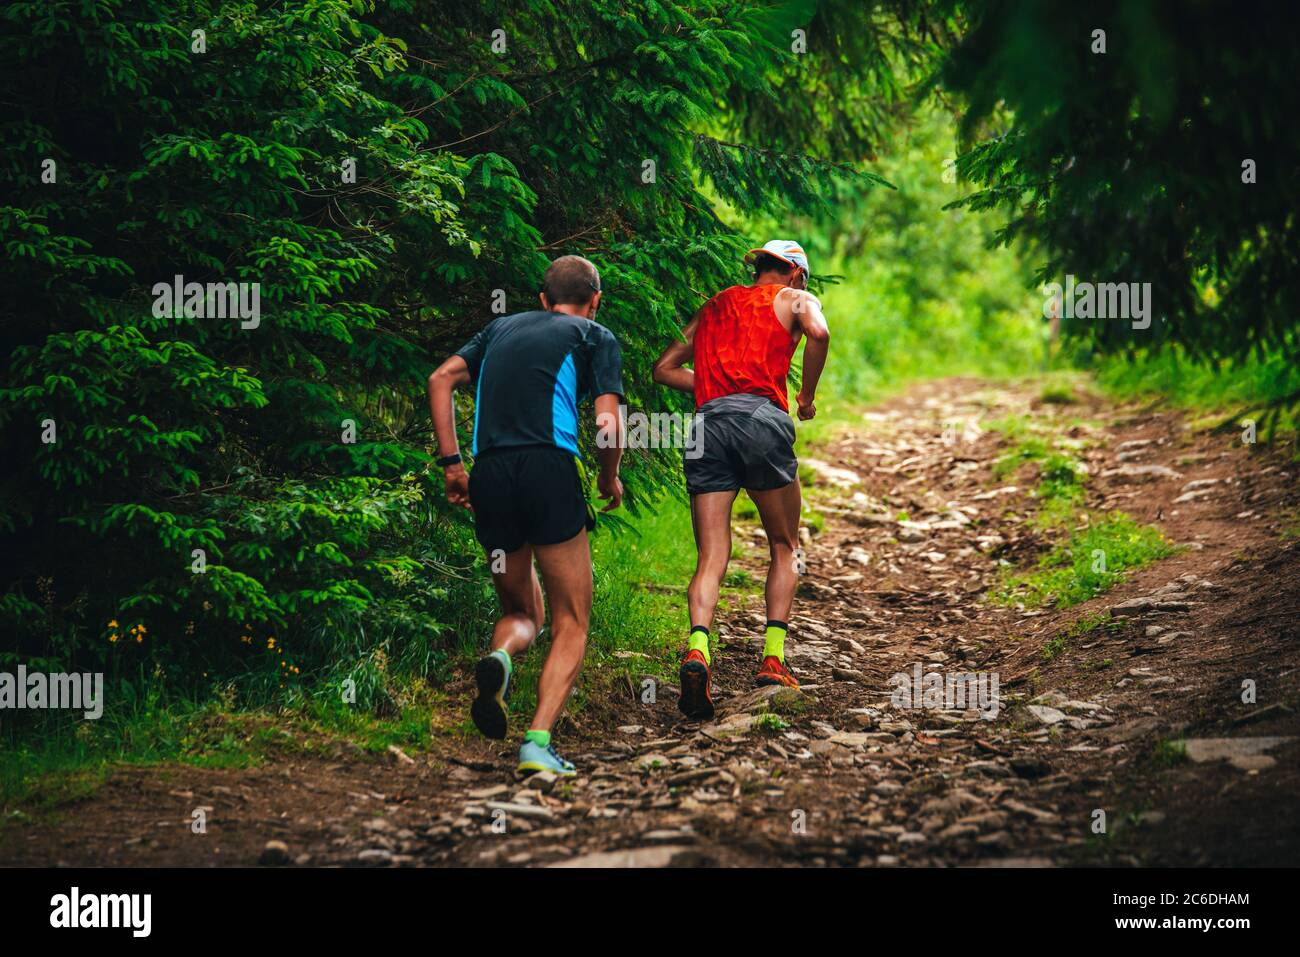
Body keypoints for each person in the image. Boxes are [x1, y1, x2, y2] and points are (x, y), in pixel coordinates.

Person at [427, 255, 624, 775]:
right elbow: (608, 424)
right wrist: (608, 478)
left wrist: (453, 467)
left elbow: (441, 377)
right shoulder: (593, 334)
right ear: (594, 300)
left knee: (521, 613)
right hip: (549, 468)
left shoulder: (498, 328)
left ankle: (503, 658)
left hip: (489, 474)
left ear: (542, 298)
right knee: (572, 620)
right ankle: (537, 744)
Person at [652, 240, 830, 720]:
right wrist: (806, 398)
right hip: (761, 421)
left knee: (711, 553)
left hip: (707, 424)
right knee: (785, 544)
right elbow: (819, 334)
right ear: (795, 275)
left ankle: (697, 651)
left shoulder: (714, 304)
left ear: (761, 268)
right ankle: (772, 657)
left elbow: (663, 369)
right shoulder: (796, 300)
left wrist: (715, 385)